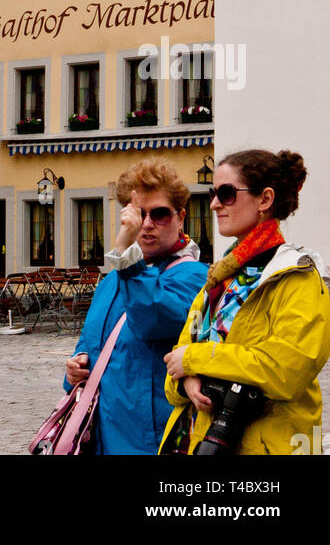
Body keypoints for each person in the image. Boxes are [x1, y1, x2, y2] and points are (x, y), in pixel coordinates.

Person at [161, 149, 330, 455]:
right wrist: (186, 382)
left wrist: (195, 360)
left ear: (264, 200)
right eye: (213, 193)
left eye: (225, 193)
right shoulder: (219, 278)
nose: (214, 204)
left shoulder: (298, 278)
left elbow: (285, 371)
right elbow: (178, 360)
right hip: (194, 441)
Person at [63, 158, 207, 454]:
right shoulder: (113, 280)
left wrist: (127, 256)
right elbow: (90, 344)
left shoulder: (194, 275)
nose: (147, 224)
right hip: (103, 434)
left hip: (150, 438)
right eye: (139, 214)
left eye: (160, 214)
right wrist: (73, 372)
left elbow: (154, 319)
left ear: (181, 217)